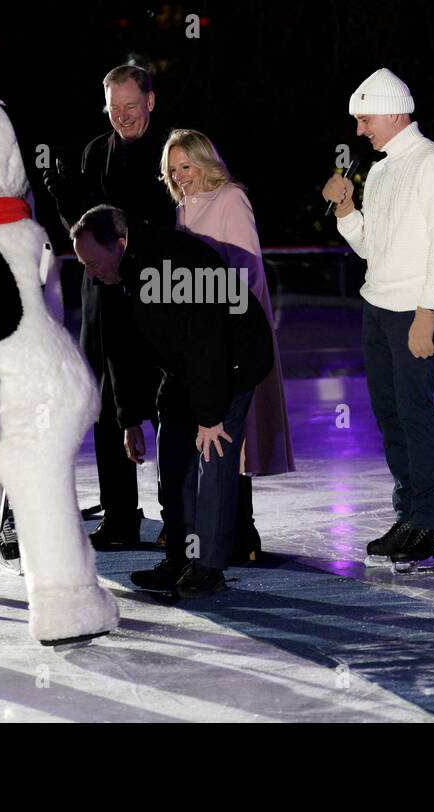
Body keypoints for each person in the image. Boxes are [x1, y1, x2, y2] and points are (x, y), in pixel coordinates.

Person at [70, 205, 274, 598]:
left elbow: (208, 342)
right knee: (173, 454)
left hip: (233, 360)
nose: (89, 272)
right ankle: (181, 559)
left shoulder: (176, 262)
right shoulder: (112, 275)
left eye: (93, 262)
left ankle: (208, 567)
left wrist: (211, 416)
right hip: (181, 368)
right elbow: (122, 352)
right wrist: (129, 419)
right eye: (83, 264)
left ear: (121, 244)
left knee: (212, 455)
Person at [322, 68, 434, 566]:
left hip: (413, 311)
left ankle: (429, 524)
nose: (360, 130)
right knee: (389, 415)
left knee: (414, 412)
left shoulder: (433, 163)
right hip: (378, 306)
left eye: (364, 119)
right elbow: (371, 249)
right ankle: (409, 516)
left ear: (393, 111)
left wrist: (427, 313)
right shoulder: (380, 170)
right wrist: (345, 210)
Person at [41, 66, 173, 549]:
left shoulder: (170, 154)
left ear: (151, 102)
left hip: (153, 295)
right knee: (105, 404)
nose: (122, 117)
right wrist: (66, 204)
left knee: (162, 406)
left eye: (131, 107)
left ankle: (177, 517)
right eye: (113, 109)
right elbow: (82, 234)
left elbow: (155, 223)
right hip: (101, 299)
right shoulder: (97, 151)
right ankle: (120, 514)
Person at [159, 129, 294, 563]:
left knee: (232, 434)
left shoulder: (231, 199)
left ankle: (241, 533)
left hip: (235, 336)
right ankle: (210, 533)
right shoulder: (181, 209)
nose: (181, 176)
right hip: (198, 343)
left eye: (187, 166)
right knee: (211, 437)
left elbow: (247, 269)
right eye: (174, 168)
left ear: (205, 164)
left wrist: (225, 325)